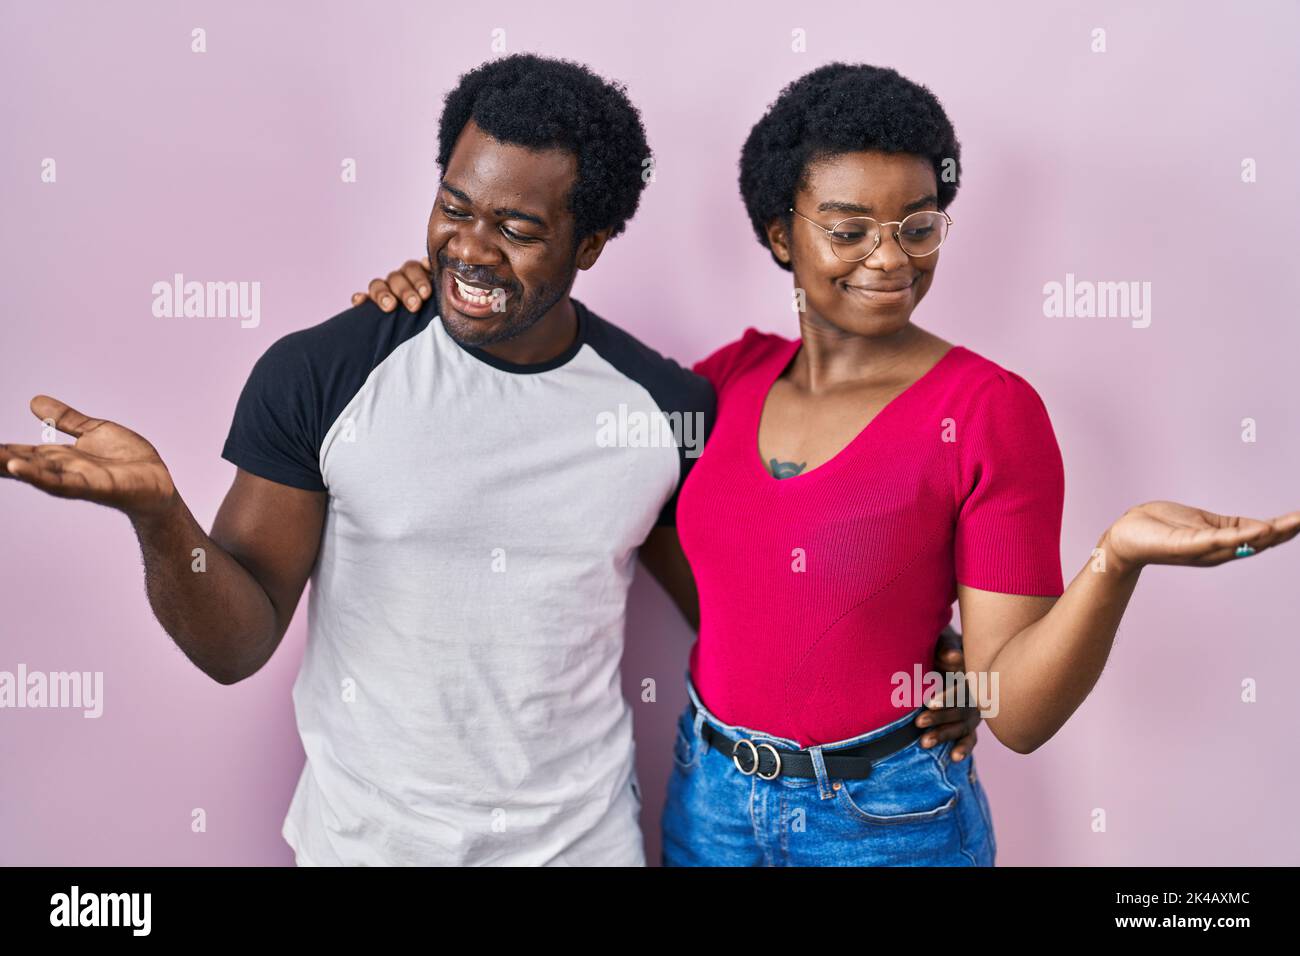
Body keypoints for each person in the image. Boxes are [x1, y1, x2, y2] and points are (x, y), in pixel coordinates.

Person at [0, 51, 982, 866]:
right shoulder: (325, 370)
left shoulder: (665, 406)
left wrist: (934, 674)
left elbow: (743, 612)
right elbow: (235, 643)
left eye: (517, 228)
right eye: (455, 208)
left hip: (581, 849)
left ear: (590, 242)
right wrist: (159, 513)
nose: (470, 249)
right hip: (364, 849)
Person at [356, 62, 1299, 866]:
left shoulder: (988, 412)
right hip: (709, 801)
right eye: (848, 230)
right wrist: (436, 298)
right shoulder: (717, 387)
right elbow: (567, 426)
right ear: (781, 236)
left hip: (889, 818)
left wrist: (1114, 560)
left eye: (918, 225)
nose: (889, 258)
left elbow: (1014, 710)